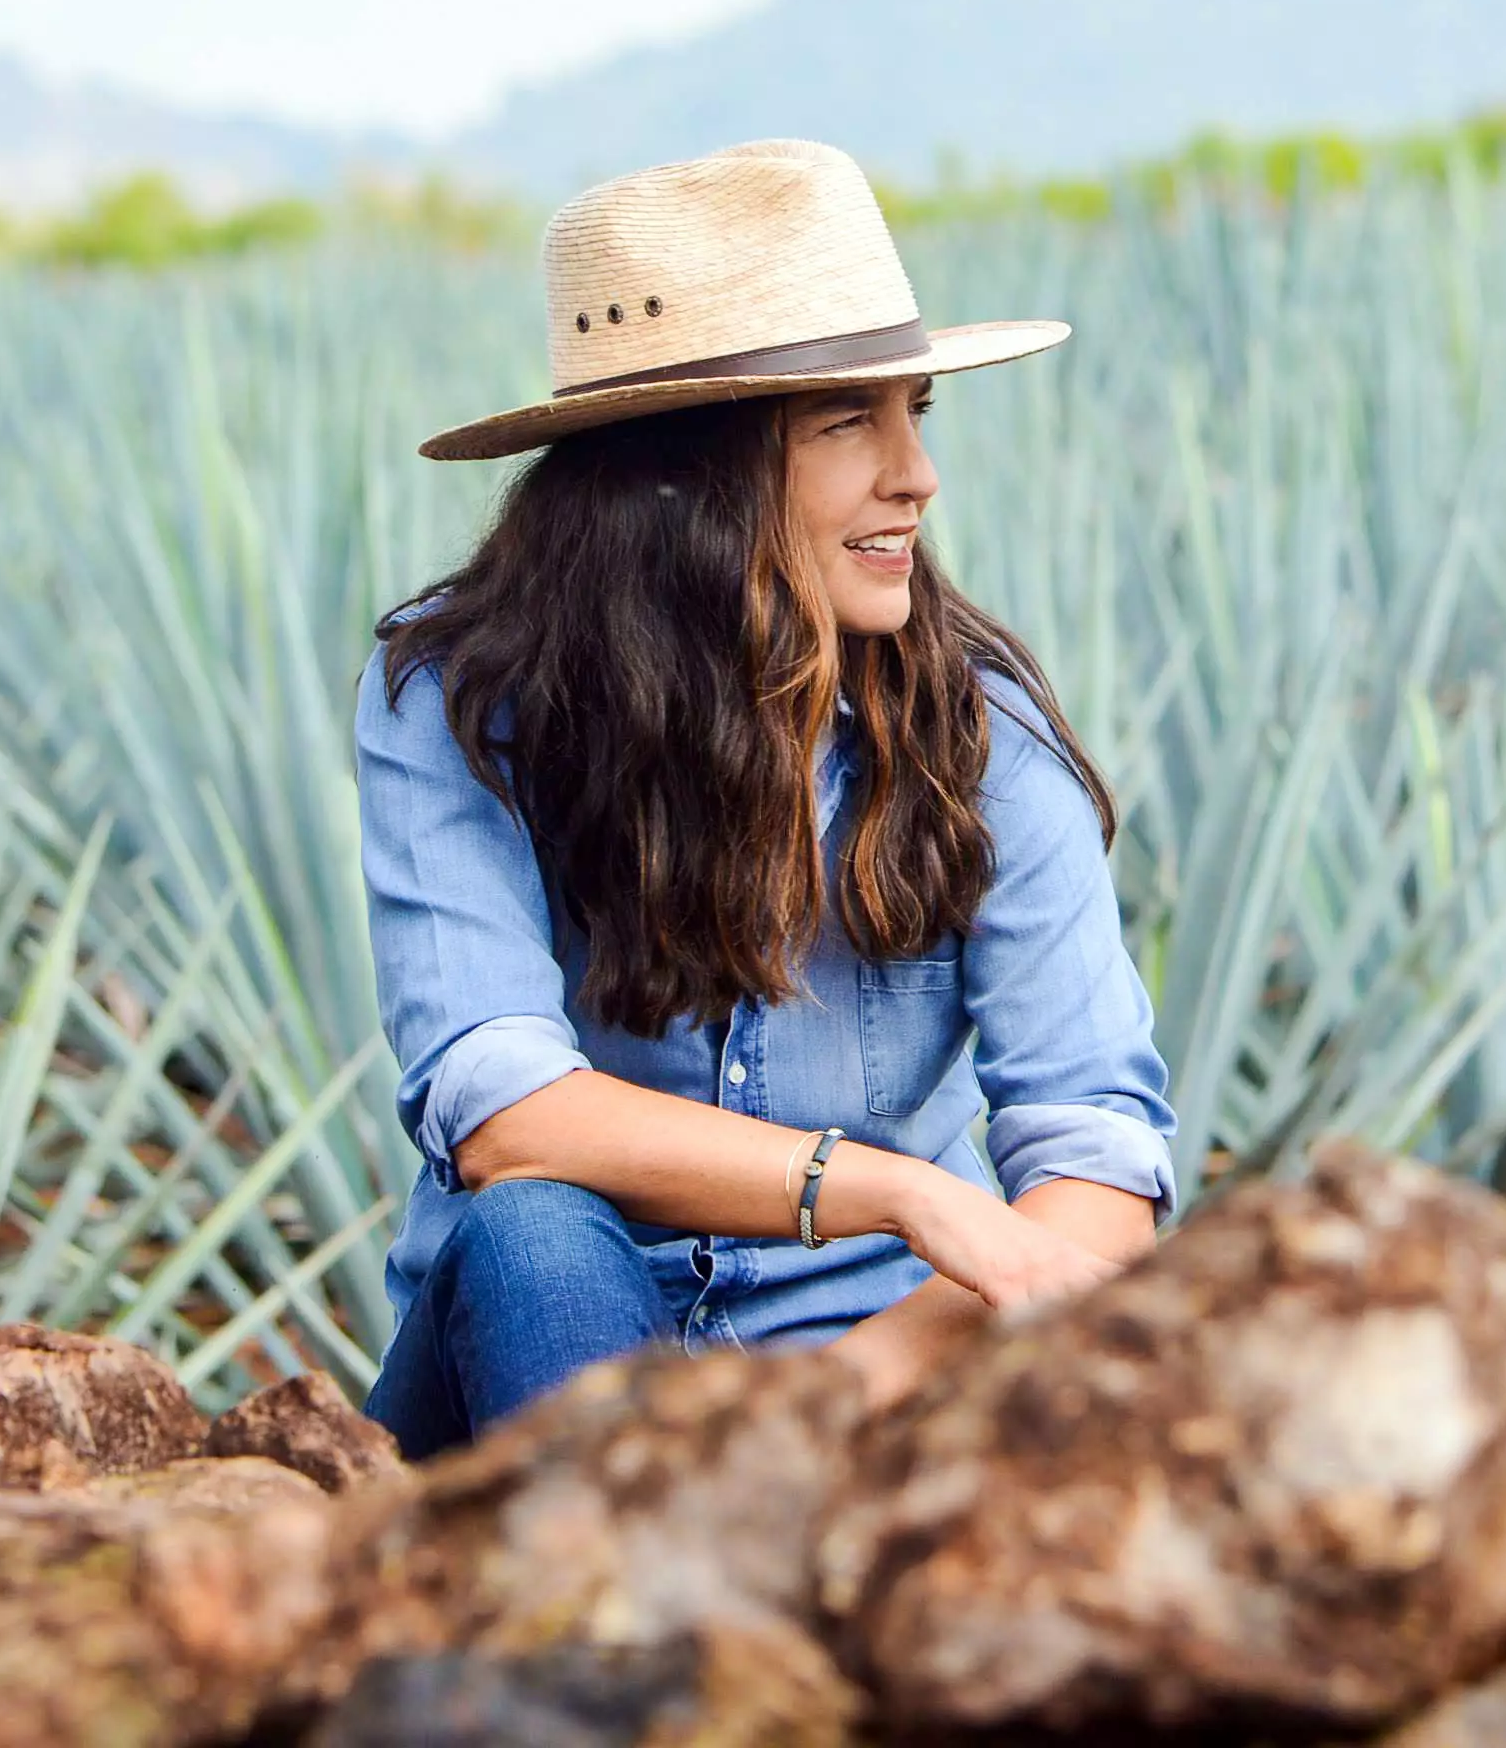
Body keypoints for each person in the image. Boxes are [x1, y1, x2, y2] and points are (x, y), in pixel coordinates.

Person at [354, 139, 1176, 1459]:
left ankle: (632, 1597)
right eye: (850, 422)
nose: (916, 475)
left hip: (875, 1380)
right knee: (531, 1232)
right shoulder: (461, 703)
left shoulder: (981, 733)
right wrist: (901, 1193)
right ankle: (608, 1598)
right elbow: (507, 1115)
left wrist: (827, 1404)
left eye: (916, 412)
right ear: (682, 473)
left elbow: (1096, 1153)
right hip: (535, 1360)